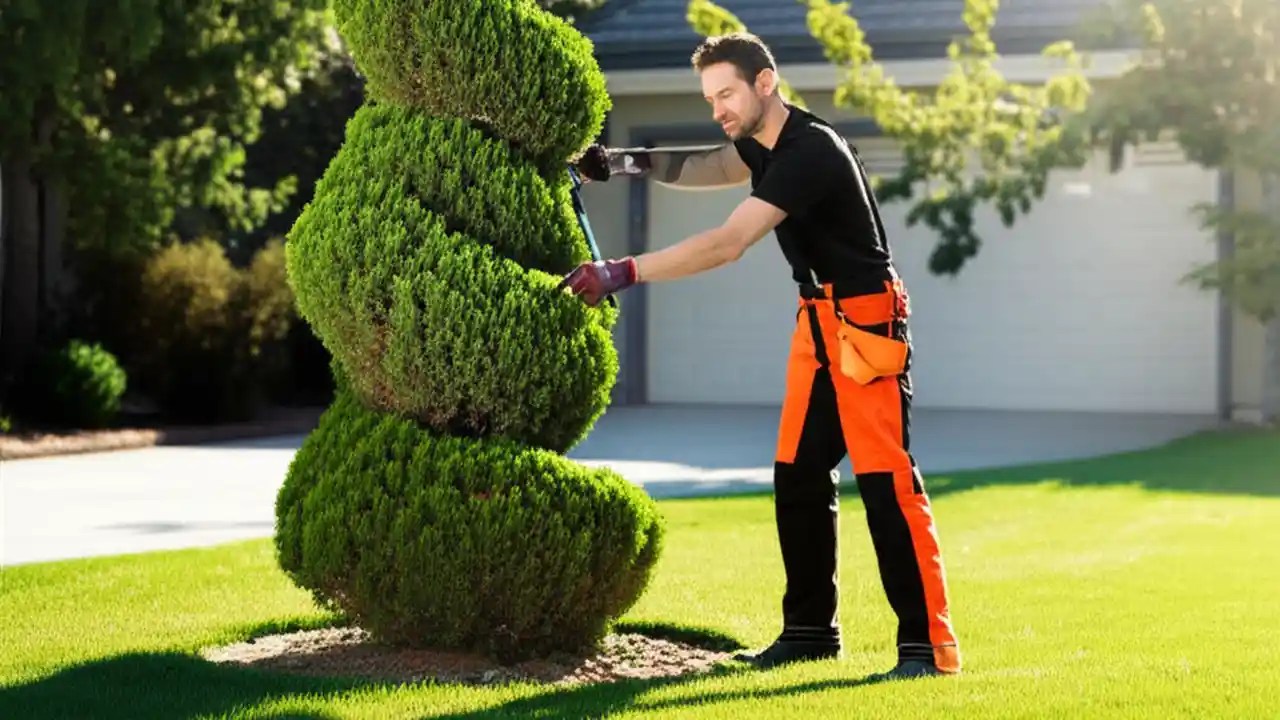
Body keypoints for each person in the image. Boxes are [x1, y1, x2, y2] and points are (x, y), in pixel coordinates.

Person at [560, 32, 961, 680]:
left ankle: (928, 649)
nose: (718, 107)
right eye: (710, 96)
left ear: (764, 83)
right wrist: (624, 164)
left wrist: (622, 271)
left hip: (866, 323)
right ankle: (808, 633)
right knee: (798, 474)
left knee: (887, 482)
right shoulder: (759, 146)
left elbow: (726, 244)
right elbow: (706, 166)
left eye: (727, 93)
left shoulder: (810, 151)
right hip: (818, 323)